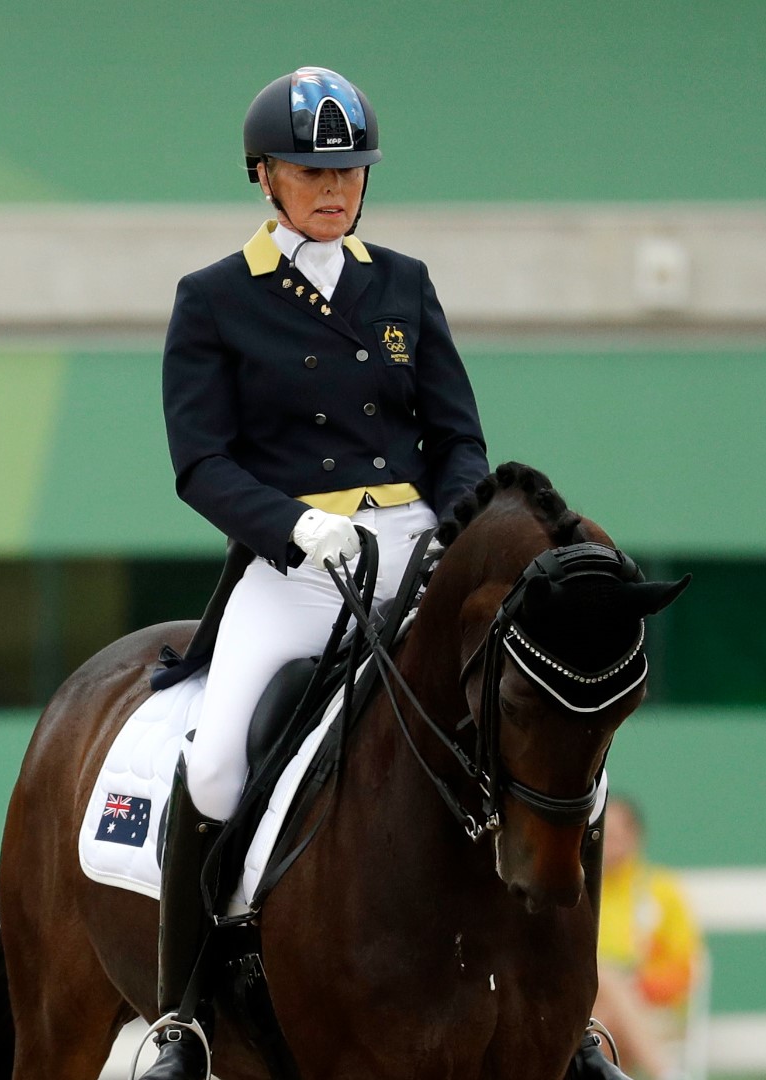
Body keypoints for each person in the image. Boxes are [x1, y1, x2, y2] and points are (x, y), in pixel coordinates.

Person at [147, 65, 489, 1080]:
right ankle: (183, 1018)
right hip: (294, 567)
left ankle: (569, 1009)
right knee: (213, 762)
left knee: (525, 732)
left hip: (414, 554)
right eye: (310, 168)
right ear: (265, 176)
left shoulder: (406, 284)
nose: (335, 187)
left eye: (350, 169)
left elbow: (459, 438)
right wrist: (294, 530)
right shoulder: (214, 299)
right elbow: (200, 462)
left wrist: (452, 528)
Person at [591, 796, 703, 1079]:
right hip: (588, 1004)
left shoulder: (662, 891)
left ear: (635, 837)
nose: (609, 844)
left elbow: (684, 967)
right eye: (603, 833)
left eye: (617, 835)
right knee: (603, 986)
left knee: (605, 1012)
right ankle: (666, 1073)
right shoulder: (579, 893)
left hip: (649, 1007)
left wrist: (638, 986)